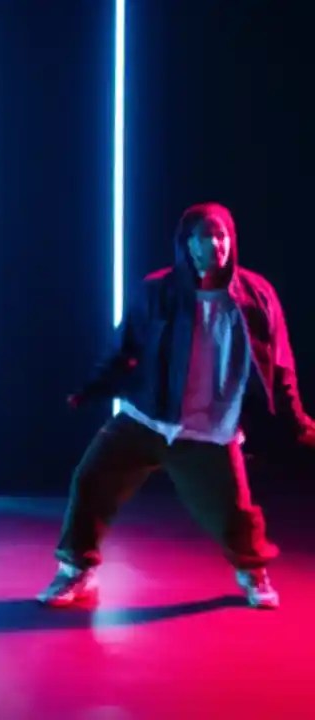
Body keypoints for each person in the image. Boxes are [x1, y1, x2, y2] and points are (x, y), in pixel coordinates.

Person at [41, 201, 315, 610]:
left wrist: (298, 421)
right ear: (188, 243)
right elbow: (124, 349)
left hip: (208, 429)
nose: (216, 244)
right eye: (206, 236)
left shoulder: (255, 297)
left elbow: (281, 366)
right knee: (90, 479)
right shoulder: (157, 290)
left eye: (222, 235)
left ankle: (252, 571)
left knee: (236, 513)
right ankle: (76, 569)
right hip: (145, 418)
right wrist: (92, 389)